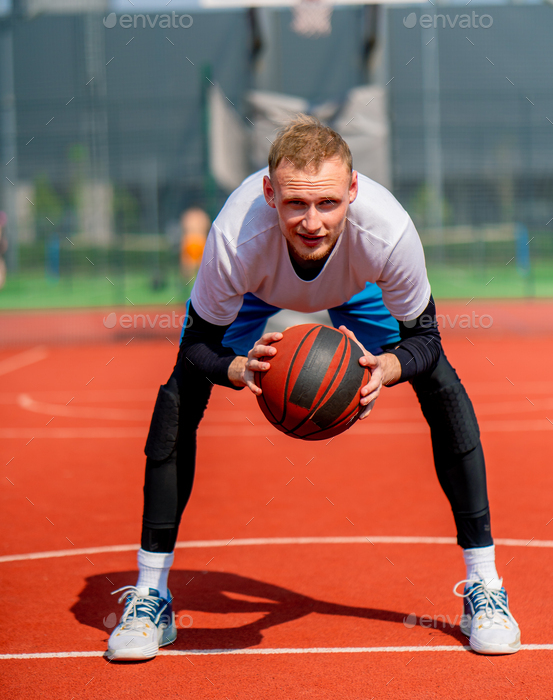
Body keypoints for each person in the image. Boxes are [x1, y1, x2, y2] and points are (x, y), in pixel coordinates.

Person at [107, 116, 520, 661]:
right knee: (180, 393)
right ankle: (152, 595)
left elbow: (426, 341)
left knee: (440, 383)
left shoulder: (387, 231)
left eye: (328, 203)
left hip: (356, 287)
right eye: (295, 204)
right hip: (257, 289)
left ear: (353, 190)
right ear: (268, 193)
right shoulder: (237, 235)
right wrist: (234, 370)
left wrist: (387, 367)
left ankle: (484, 585)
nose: (312, 222)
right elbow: (197, 346)